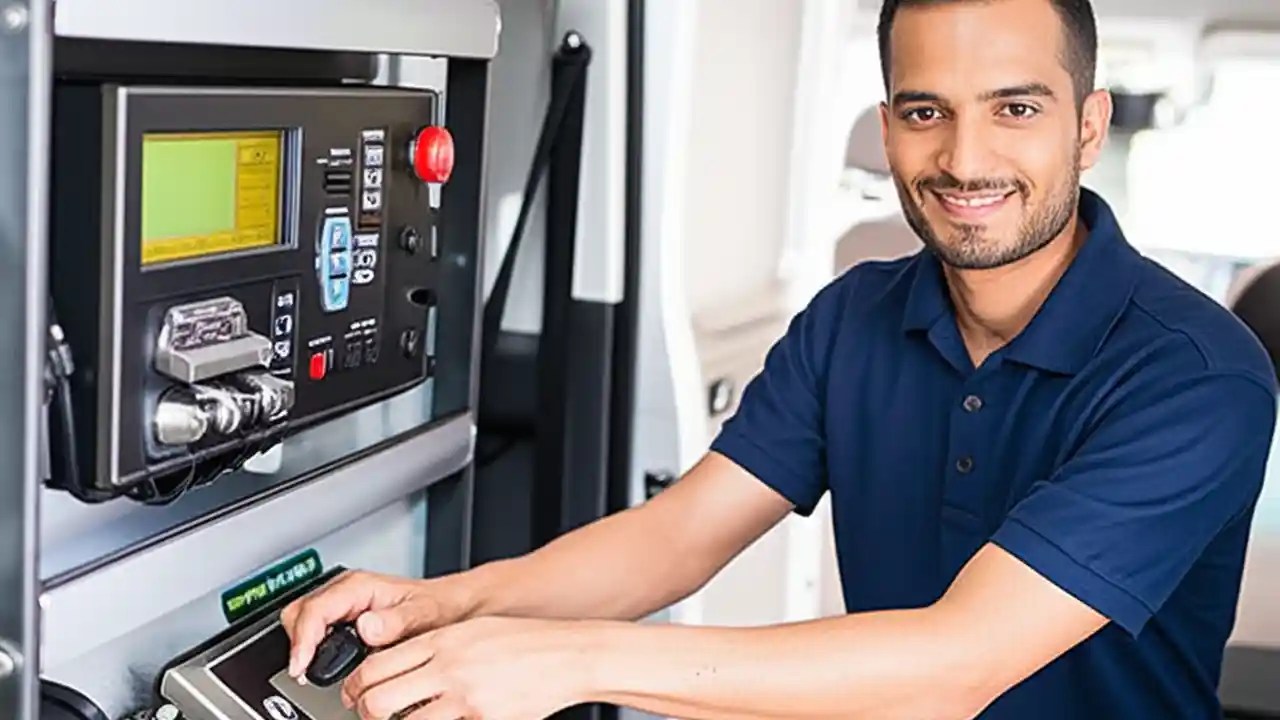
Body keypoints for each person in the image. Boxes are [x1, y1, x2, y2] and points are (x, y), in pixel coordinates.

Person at [282, 0, 1279, 717]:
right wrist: (445, 601)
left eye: (1013, 108)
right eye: (926, 110)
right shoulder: (855, 317)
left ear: (1088, 126)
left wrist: (560, 664)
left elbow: (953, 669)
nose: (964, 159)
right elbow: (677, 537)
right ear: (886, 128)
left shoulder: (1193, 375)